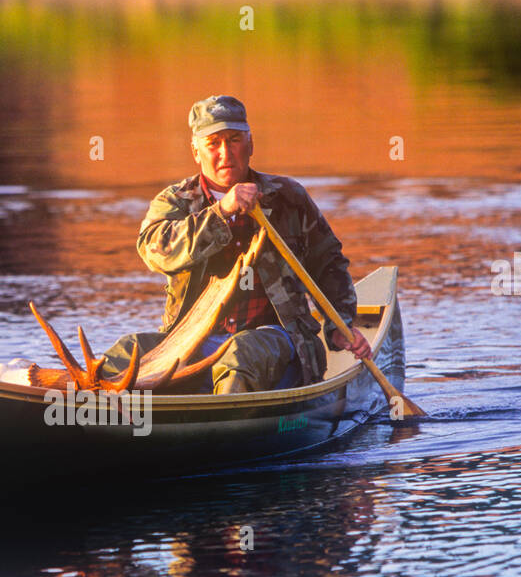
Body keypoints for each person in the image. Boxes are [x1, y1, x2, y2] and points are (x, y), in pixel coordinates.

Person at [99, 95, 371, 394]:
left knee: (240, 352)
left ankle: (223, 419)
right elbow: (156, 254)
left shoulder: (289, 197)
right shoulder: (173, 201)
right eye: (213, 143)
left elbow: (329, 265)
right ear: (196, 151)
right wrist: (221, 212)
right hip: (189, 341)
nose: (225, 153)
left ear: (250, 145)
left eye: (234, 140)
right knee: (125, 351)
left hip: (279, 339)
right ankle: (88, 411)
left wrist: (338, 328)